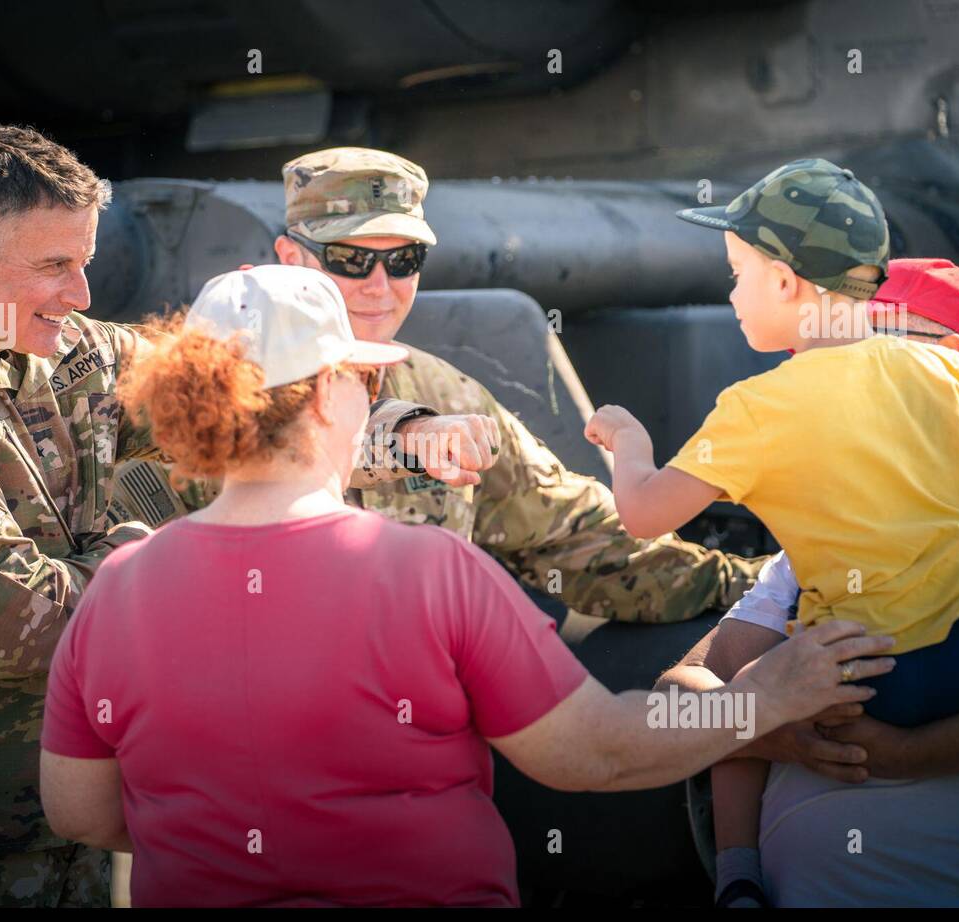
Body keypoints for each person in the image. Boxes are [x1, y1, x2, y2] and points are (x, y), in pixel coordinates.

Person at [0, 124, 496, 907]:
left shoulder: (64, 348)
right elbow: (15, 626)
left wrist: (405, 434)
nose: (81, 295)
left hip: (83, 824)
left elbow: (251, 409)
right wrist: (150, 560)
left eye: (84, 263)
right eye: (54, 267)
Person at [38, 264, 895, 907]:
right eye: (366, 380)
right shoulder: (431, 572)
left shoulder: (116, 588)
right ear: (336, 394)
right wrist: (765, 697)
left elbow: (80, 810)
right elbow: (598, 751)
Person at [120, 146, 763, 623]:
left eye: (404, 260)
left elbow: (576, 537)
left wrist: (765, 588)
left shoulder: (447, 394)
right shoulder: (209, 398)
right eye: (350, 259)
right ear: (290, 259)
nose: (380, 285)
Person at [657, 257, 959, 907]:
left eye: (862, 347)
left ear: (948, 362)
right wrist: (776, 730)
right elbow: (677, 696)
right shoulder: (833, 532)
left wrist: (905, 753)